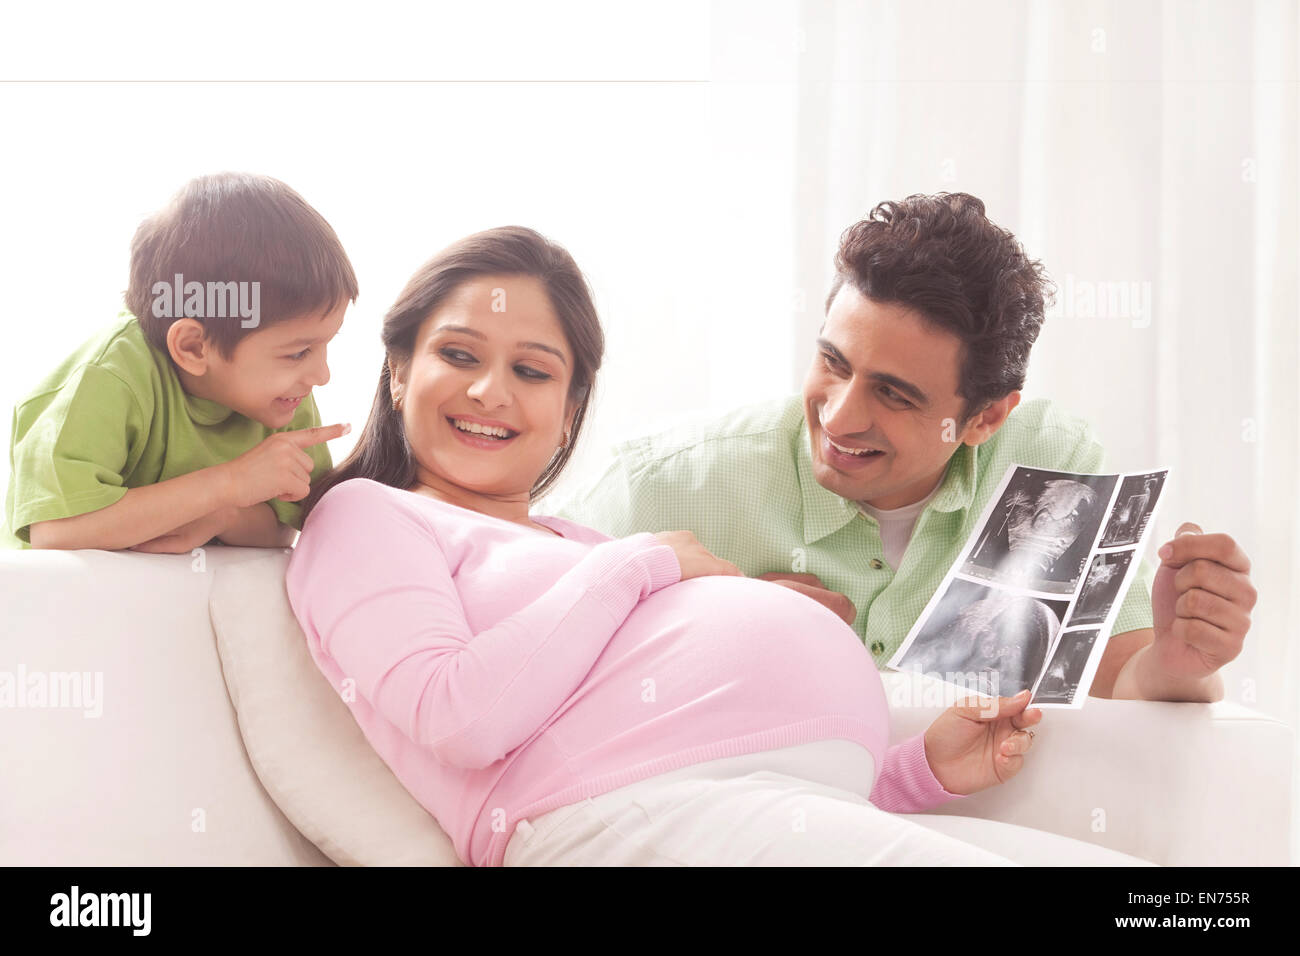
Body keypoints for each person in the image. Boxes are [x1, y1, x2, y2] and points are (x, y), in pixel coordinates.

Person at [284, 225, 1153, 866]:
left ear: (569, 409)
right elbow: (458, 717)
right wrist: (643, 563)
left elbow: (731, 764)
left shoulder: (570, 542)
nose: (489, 391)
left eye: (533, 370)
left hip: (734, 809)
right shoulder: (368, 515)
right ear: (398, 370)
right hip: (618, 820)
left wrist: (917, 773)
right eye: (458, 354)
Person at [549, 193, 1257, 704]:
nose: (840, 416)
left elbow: (1119, 679)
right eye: (833, 362)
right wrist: (706, 629)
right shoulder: (666, 483)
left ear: (986, 417)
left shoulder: (1047, 465)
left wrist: (1181, 661)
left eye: (894, 394)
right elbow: (516, 657)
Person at [2, 172, 355, 552]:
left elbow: (285, 533)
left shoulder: (284, 397)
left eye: (325, 345)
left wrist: (227, 514)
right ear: (193, 348)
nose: (322, 375)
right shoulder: (108, 379)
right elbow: (55, 534)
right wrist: (228, 485)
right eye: (299, 352)